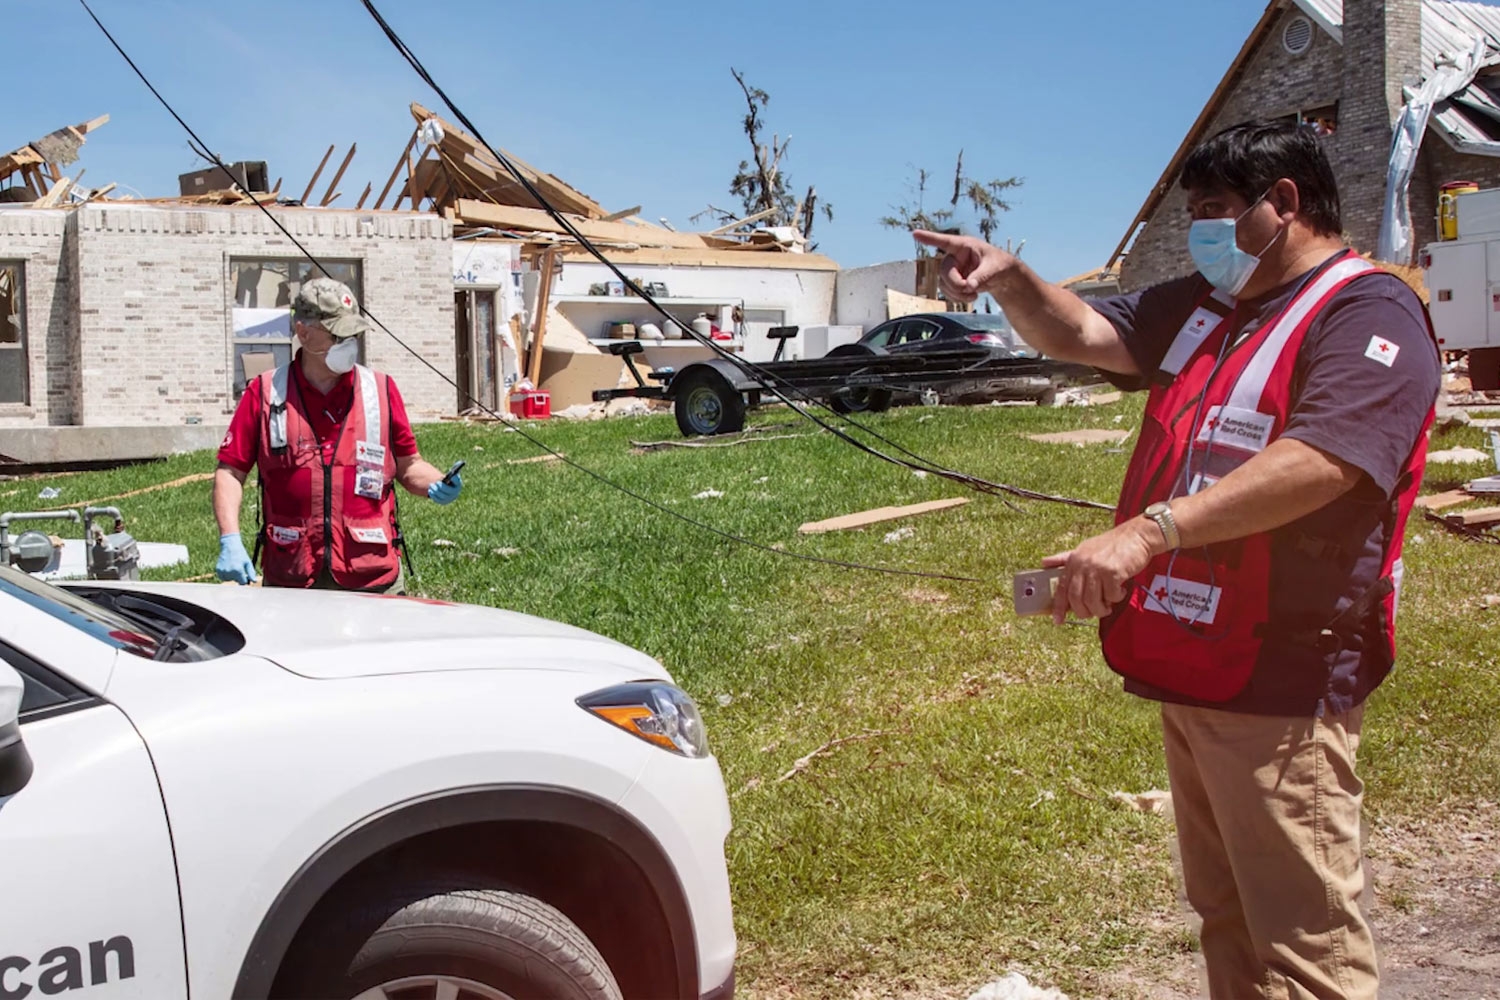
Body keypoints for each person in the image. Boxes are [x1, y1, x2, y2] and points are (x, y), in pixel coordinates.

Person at [916, 120, 1439, 999]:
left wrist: (1148, 533)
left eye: (1211, 211)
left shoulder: (1367, 311)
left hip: (1283, 672)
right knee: (1227, 916)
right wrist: (1010, 278)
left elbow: (1326, 457)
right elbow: (1082, 329)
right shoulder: (1209, 306)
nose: (1198, 232)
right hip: (1196, 656)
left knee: (1305, 948)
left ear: (1284, 204)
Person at [213, 277, 462, 593]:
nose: (350, 344)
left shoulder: (381, 390)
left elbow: (409, 465)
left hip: (372, 577)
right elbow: (230, 471)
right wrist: (230, 538)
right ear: (302, 332)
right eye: (338, 335)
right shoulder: (265, 392)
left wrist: (436, 483)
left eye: (353, 334)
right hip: (293, 578)